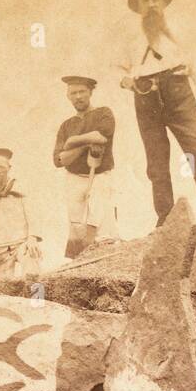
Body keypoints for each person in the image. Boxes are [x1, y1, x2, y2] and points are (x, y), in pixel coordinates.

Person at [115, 0, 196, 228]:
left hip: (179, 93)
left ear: (163, 4)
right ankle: (166, 219)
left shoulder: (179, 32)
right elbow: (116, 69)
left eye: (155, 0)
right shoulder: (129, 39)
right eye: (146, 1)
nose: (151, 5)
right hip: (146, 96)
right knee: (156, 161)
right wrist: (129, 82)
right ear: (138, 8)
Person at [53, 75, 119, 257]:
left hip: (100, 175)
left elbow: (101, 137)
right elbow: (59, 160)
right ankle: (78, 262)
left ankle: (104, 259)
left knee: (100, 222)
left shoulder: (103, 113)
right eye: (73, 93)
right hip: (74, 179)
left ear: (90, 92)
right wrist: (82, 144)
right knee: (76, 225)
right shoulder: (66, 126)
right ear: (68, 96)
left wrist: (72, 142)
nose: (78, 96)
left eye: (82, 91)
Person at [0, 148, 42, 279]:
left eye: (2, 167)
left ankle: (37, 299)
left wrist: (32, 238)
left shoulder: (22, 189)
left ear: (9, 168)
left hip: (23, 243)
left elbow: (33, 215)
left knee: (33, 273)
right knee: (4, 289)